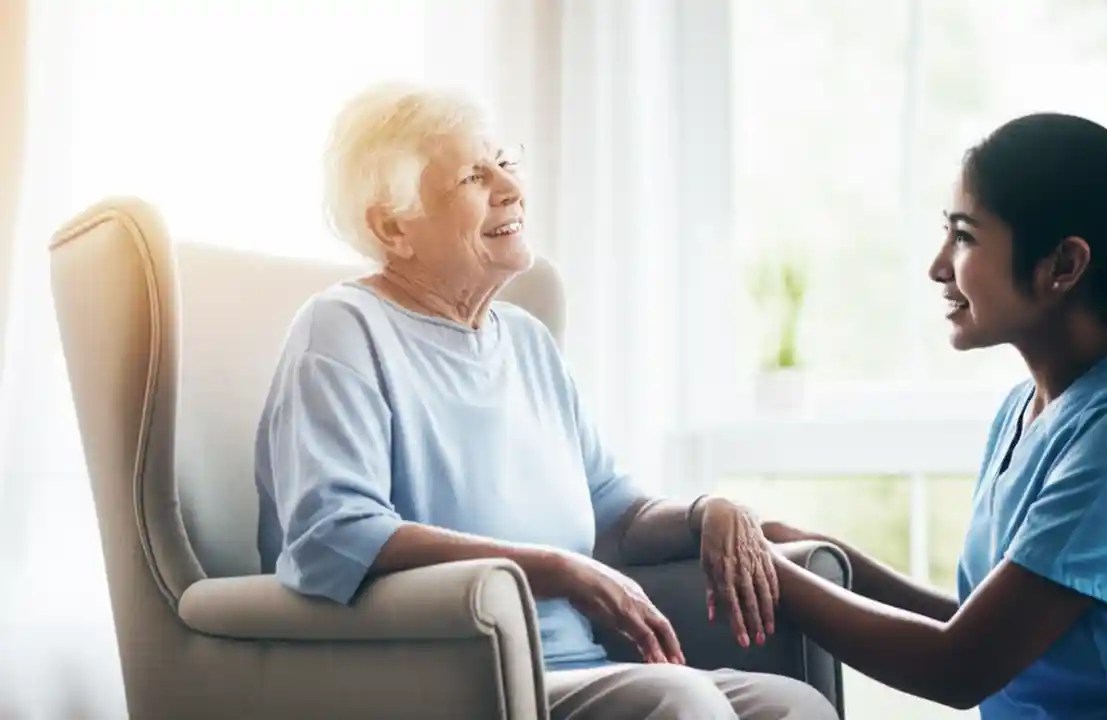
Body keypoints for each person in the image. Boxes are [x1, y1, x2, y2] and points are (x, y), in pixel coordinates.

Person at [254, 83, 837, 720]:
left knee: (791, 707)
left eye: (505, 162)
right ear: (393, 228)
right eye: (474, 177)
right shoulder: (342, 330)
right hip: (446, 681)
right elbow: (332, 537)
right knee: (678, 700)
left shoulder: (526, 339)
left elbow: (614, 512)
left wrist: (707, 511)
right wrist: (557, 569)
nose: (509, 189)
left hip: (579, 671)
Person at [761, 113, 1107, 717]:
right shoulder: (1027, 411)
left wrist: (767, 574)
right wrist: (825, 554)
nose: (937, 266)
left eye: (964, 237)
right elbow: (984, 623)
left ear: (1063, 265)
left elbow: (961, 666)